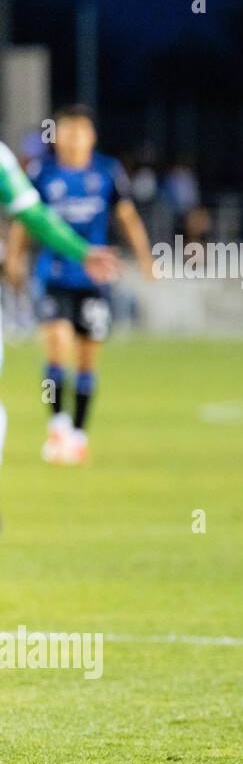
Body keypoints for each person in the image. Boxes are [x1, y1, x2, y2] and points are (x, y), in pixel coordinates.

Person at [5, 105, 154, 465]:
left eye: (79, 132)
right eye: (66, 132)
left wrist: (145, 258)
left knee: (87, 358)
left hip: (93, 277)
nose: (72, 139)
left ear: (91, 136)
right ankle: (57, 425)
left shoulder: (107, 172)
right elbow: (27, 217)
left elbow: (127, 216)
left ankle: (79, 434)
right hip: (53, 275)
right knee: (57, 345)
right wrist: (14, 257)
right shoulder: (42, 171)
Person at [0, 137, 119, 515]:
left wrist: (83, 253)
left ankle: (71, 431)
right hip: (54, 280)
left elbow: (32, 216)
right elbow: (34, 215)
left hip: (83, 286)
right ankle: (61, 427)